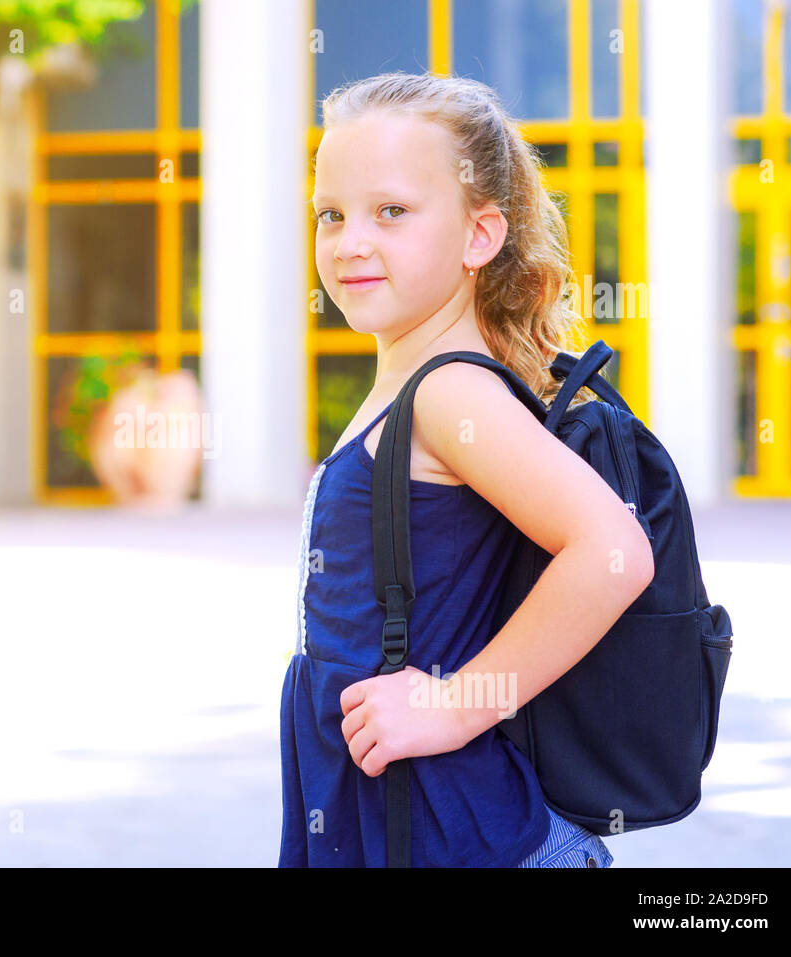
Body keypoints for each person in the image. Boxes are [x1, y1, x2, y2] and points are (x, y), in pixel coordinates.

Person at [279, 71, 653, 867]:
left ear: (479, 237)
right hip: (412, 819)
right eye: (330, 214)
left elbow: (614, 552)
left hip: (460, 831)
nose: (350, 241)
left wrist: (454, 704)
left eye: (392, 212)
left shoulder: (449, 391)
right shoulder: (413, 382)